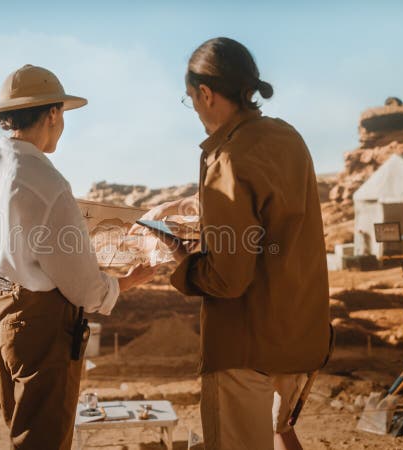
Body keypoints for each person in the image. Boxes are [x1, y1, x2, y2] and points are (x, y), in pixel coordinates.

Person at [138, 38, 332, 450]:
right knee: (281, 437)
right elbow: (272, 217)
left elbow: (228, 280)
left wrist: (180, 259)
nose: (193, 108)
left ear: (205, 93)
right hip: (298, 336)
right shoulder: (288, 138)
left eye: (190, 98)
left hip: (245, 346)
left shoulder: (228, 158)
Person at [0, 64, 155, 449]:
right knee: (42, 441)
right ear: (52, 114)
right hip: (38, 323)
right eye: (62, 114)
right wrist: (130, 280)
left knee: (22, 434)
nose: (62, 123)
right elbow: (83, 286)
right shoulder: (45, 180)